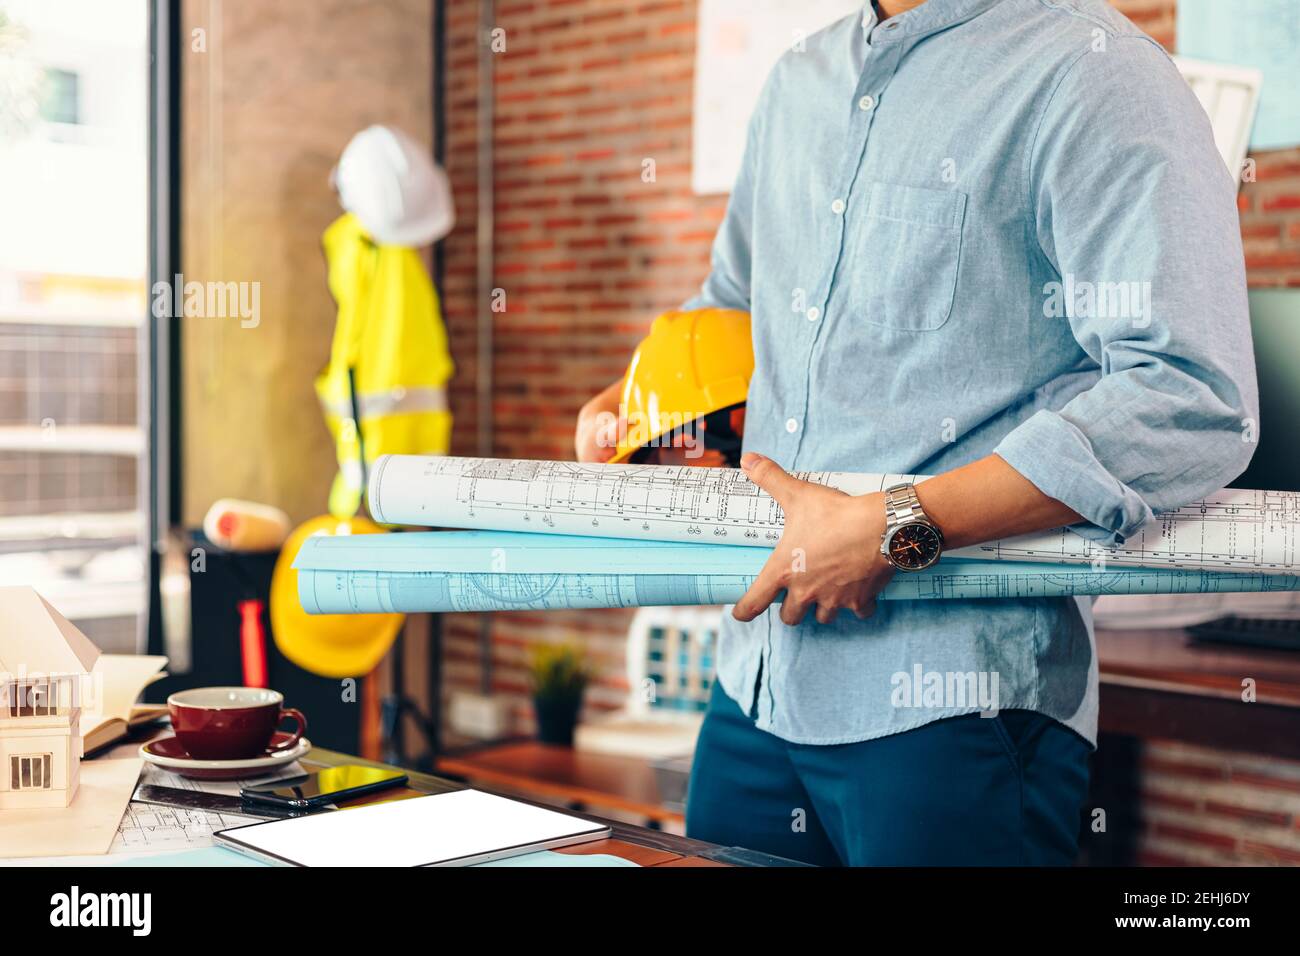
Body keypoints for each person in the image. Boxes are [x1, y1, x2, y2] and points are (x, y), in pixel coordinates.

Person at [574, 0, 1257, 866]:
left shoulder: (1092, 72)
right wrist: (633, 403)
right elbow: (735, 315)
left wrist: (895, 524)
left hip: (955, 714)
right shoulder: (797, 81)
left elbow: (1192, 396)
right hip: (754, 688)